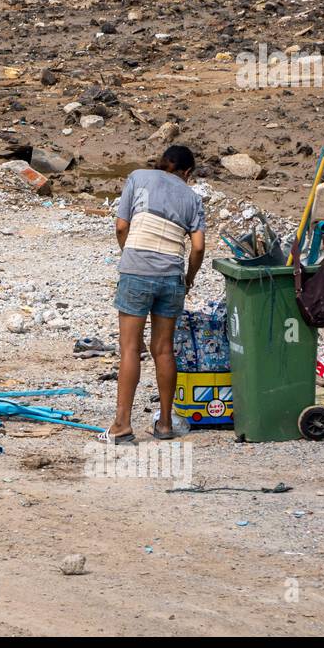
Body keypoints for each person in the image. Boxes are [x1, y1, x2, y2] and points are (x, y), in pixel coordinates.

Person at [99, 145, 205, 444]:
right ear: (187, 172)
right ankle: (165, 424)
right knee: (163, 350)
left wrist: (130, 255)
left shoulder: (138, 177)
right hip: (171, 276)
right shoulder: (193, 198)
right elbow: (198, 247)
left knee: (130, 349)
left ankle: (121, 426)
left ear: (162, 162)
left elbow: (121, 227)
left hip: (136, 270)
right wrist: (189, 278)